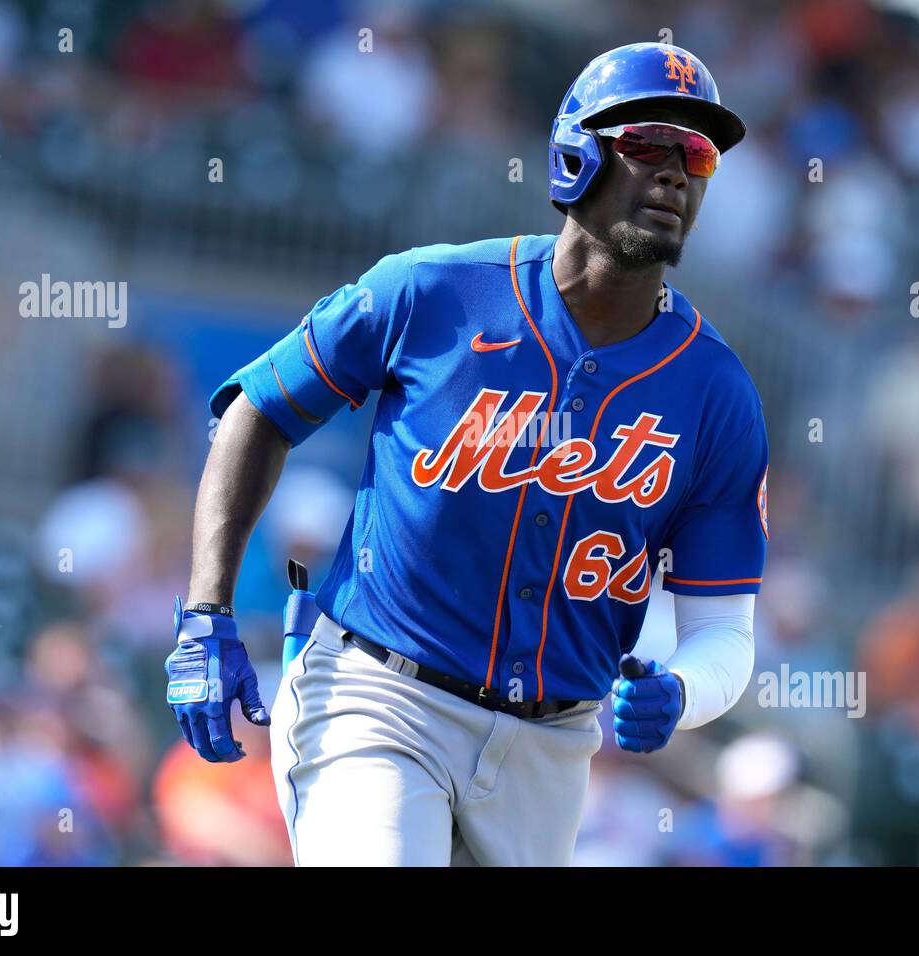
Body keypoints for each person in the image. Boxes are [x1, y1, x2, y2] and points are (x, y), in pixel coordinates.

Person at [165, 42, 769, 866]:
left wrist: (682, 690)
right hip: (378, 696)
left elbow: (724, 632)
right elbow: (257, 411)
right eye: (646, 145)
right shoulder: (431, 292)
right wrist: (208, 611)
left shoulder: (717, 391)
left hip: (550, 751)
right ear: (576, 155)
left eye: (695, 154)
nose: (672, 173)